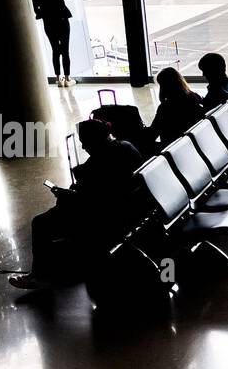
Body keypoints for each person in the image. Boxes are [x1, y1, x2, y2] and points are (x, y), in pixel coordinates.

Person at [8, 119, 143, 292]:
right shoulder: (126, 147)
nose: (85, 148)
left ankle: (39, 276)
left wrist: (66, 195)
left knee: (40, 223)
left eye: (85, 143)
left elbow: (90, 198)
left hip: (104, 216)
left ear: (95, 141)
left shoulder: (100, 161)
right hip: (127, 209)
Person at [140, 67, 204, 155]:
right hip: (190, 144)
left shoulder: (166, 108)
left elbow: (152, 135)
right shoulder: (194, 97)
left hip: (172, 149)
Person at [32, 0, 74, 87]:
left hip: (49, 22)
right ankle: (67, 78)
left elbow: (35, 6)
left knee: (55, 50)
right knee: (65, 50)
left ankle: (58, 78)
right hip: (62, 20)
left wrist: (43, 13)